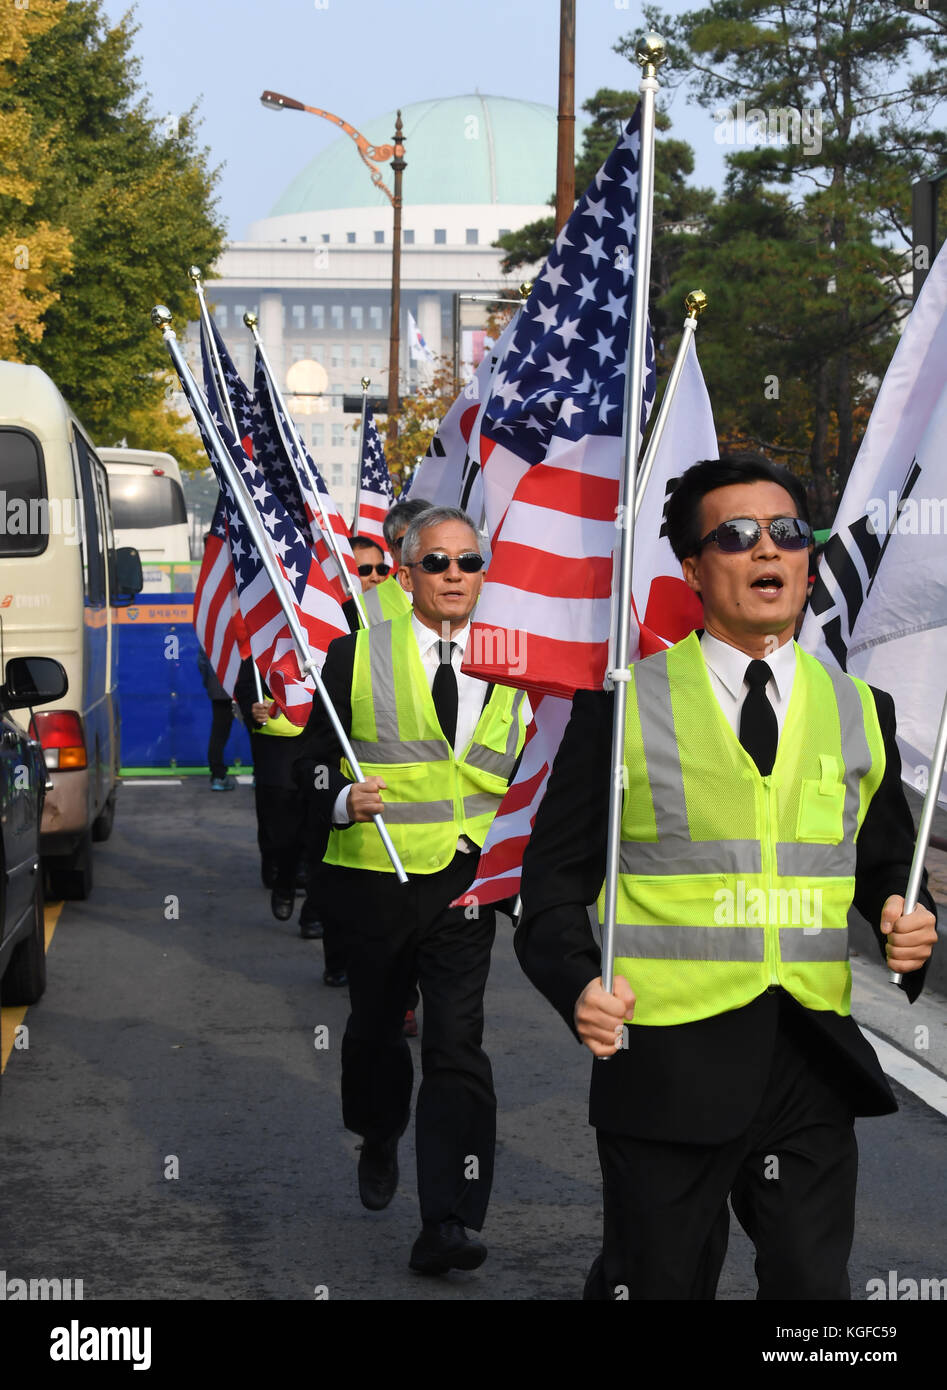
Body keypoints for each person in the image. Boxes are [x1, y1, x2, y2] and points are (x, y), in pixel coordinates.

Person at [516, 453, 938, 1301]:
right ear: (692, 569)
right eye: (737, 537)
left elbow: (885, 865)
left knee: (815, 1293)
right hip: (665, 1060)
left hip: (811, 1057)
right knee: (658, 1281)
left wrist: (911, 920)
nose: (768, 554)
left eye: (787, 534)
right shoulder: (623, 705)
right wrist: (577, 991)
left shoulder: (861, 710)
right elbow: (550, 891)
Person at [295, 504, 529, 1274]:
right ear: (407, 574)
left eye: (469, 562)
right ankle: (377, 1128)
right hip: (376, 877)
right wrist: (339, 796)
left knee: (457, 1046)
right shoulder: (355, 653)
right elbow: (312, 765)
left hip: (466, 876)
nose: (455, 576)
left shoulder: (518, 656)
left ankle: (450, 1223)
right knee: (373, 1030)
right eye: (437, 563)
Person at [234, 659, 307, 920]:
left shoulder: (326, 641)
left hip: (319, 744)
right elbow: (244, 688)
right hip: (277, 750)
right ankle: (283, 880)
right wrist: (253, 710)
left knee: (320, 822)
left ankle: (314, 914)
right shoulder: (260, 650)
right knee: (281, 821)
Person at [355, 496, 432, 625]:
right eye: (407, 541)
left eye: (428, 538)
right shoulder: (363, 606)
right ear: (391, 550)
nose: (419, 548)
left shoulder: (469, 597)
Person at [197, 647, 236, 791]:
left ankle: (218, 776)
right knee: (257, 732)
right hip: (244, 686)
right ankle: (259, 775)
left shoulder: (212, 626)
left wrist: (210, 684)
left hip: (218, 688)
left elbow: (202, 662)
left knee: (218, 733)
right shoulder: (244, 626)